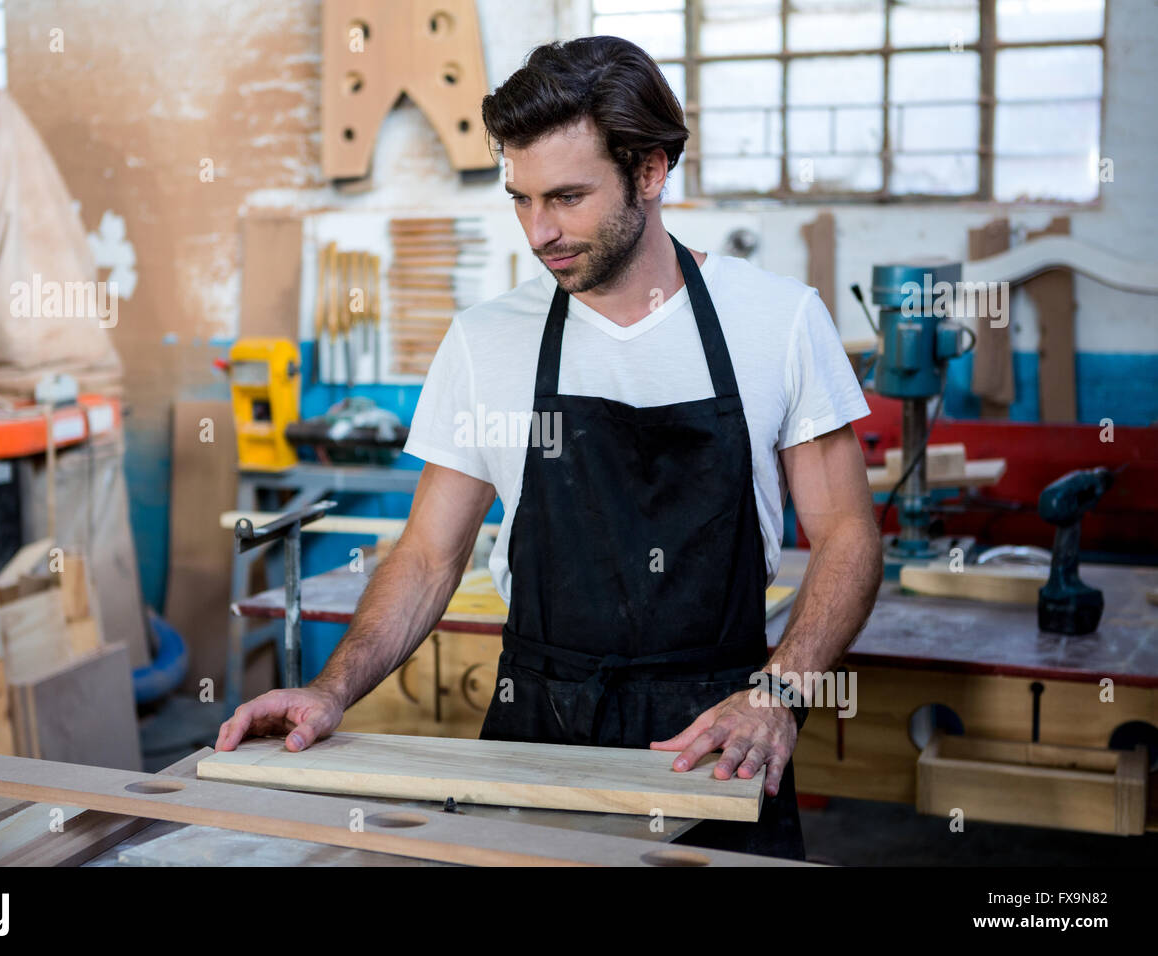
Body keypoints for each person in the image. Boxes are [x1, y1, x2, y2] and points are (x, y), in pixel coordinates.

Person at [217, 35, 882, 861]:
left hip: (716, 738)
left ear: (651, 171)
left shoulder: (776, 320)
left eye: (567, 197)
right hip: (535, 732)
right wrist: (330, 690)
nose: (540, 232)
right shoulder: (486, 341)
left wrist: (777, 694)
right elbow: (427, 558)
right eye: (521, 199)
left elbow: (851, 536)